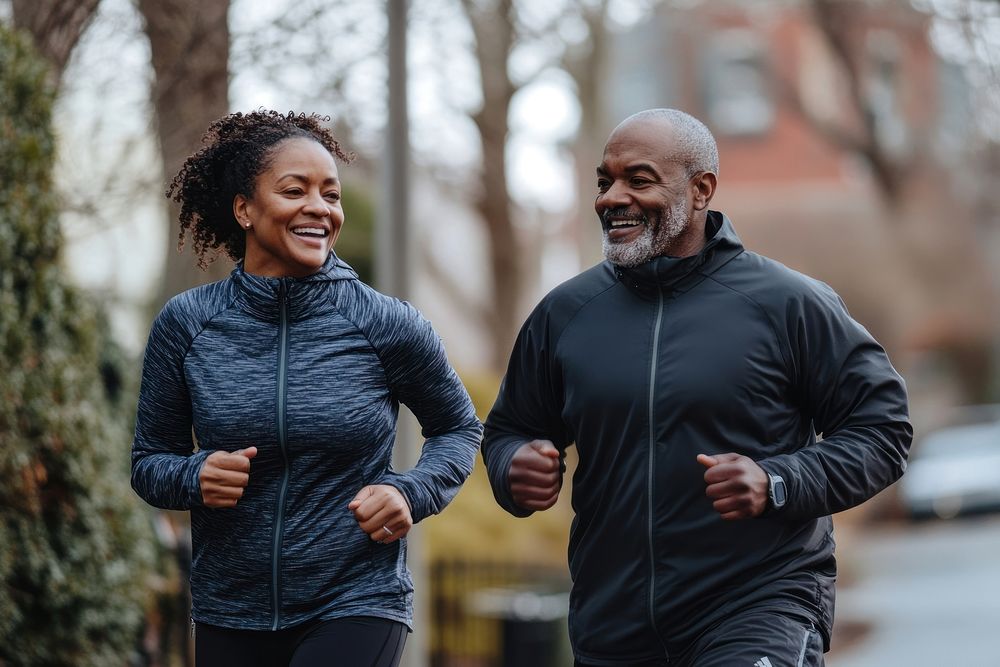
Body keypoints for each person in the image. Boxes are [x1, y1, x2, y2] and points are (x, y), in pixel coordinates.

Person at [482, 109, 911, 667]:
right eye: (603, 181)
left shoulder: (787, 304)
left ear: (701, 189)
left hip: (759, 606)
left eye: (638, 179)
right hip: (614, 624)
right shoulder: (566, 314)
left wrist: (778, 479)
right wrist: (512, 465)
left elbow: (883, 430)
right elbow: (510, 429)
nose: (612, 197)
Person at [131, 110, 482, 667]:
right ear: (244, 208)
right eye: (295, 190)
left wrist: (410, 492)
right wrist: (193, 476)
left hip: (356, 599)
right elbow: (149, 461)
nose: (320, 207)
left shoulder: (384, 322)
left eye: (331, 194)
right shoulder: (187, 324)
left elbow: (459, 428)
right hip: (230, 607)